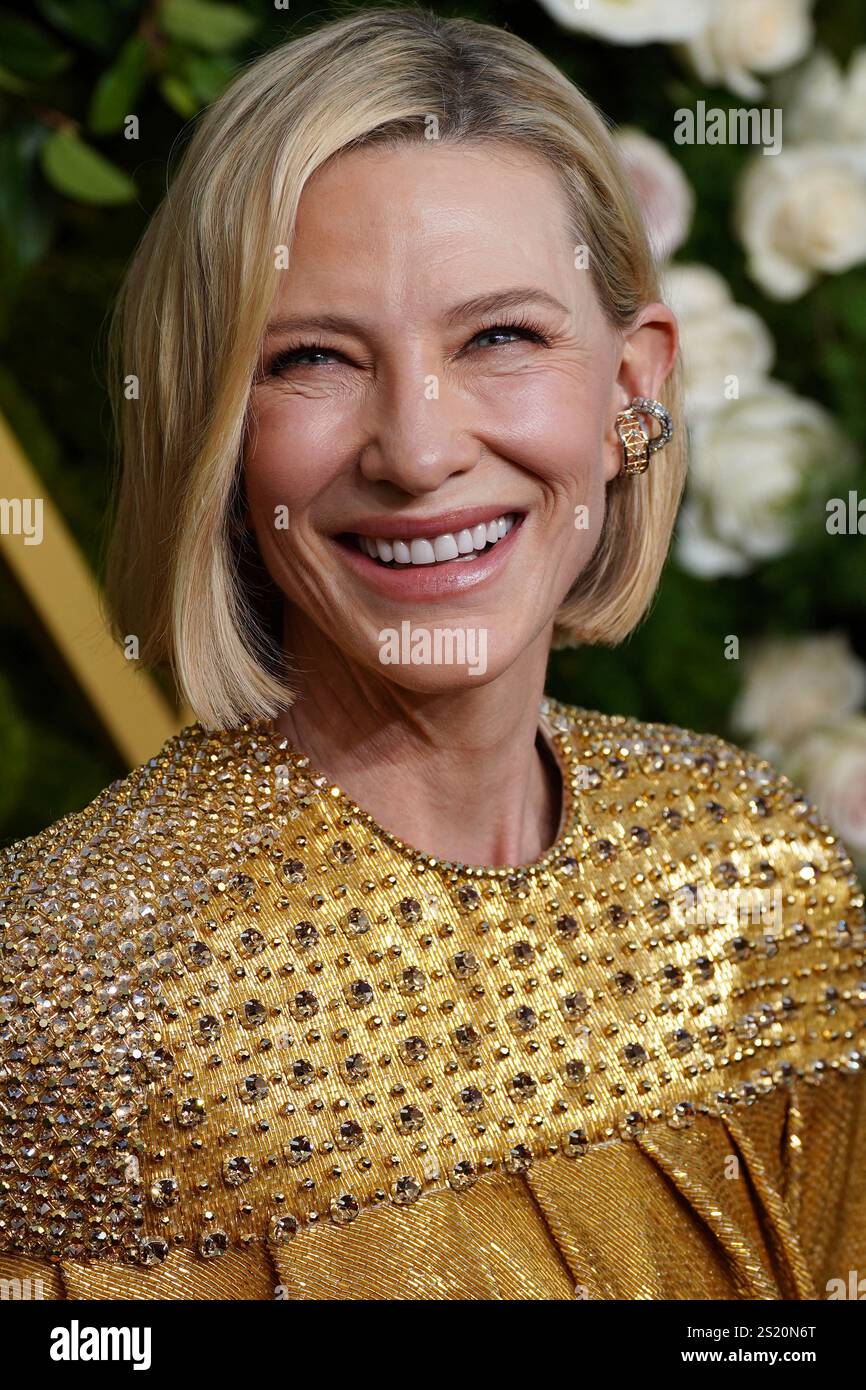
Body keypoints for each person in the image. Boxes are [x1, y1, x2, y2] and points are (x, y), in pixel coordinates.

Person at [1, 6, 863, 1301]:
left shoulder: (755, 867)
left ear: (634, 388)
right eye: (310, 358)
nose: (415, 447)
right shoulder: (64, 978)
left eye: (499, 337)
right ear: (216, 432)